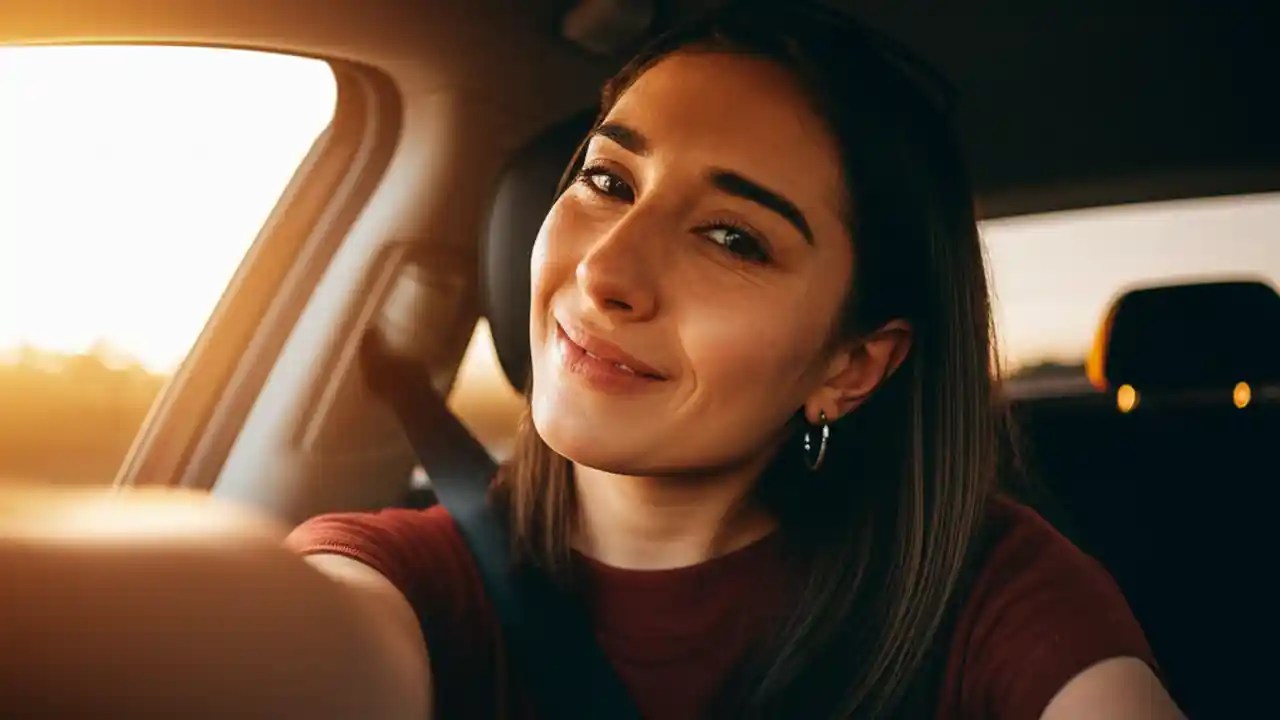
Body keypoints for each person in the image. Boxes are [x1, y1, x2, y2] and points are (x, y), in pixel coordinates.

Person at [288, 3, 1183, 718]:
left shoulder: (989, 596)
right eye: (607, 181)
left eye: (732, 238)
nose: (604, 272)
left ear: (851, 367)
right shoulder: (402, 577)